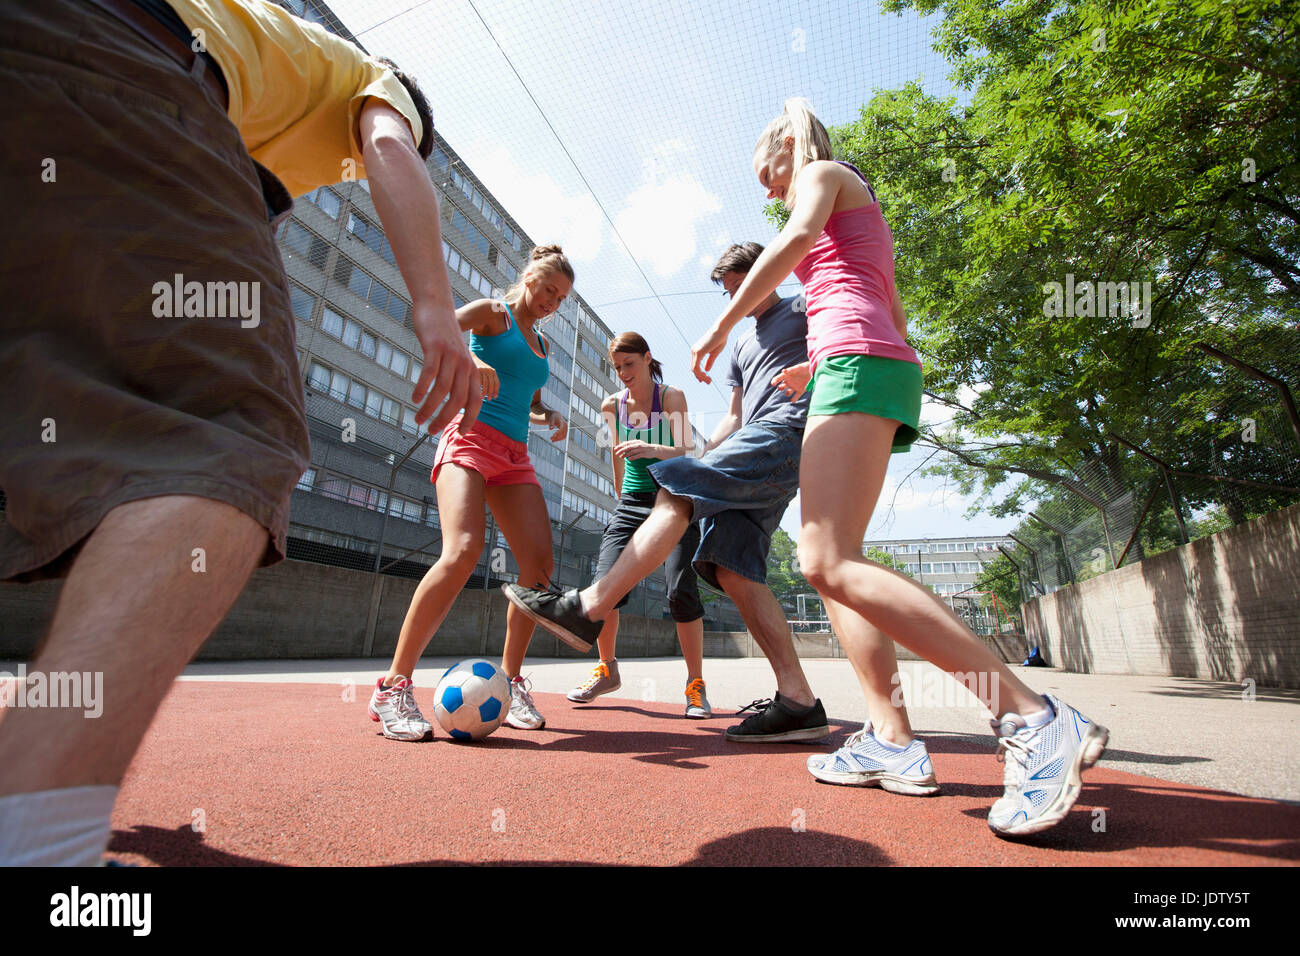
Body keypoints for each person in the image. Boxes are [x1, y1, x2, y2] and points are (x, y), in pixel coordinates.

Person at [0, 0, 478, 865]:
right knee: (226, 431)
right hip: (118, 58)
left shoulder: (265, 109)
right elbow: (389, 147)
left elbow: (223, 226)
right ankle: (35, 842)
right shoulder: (373, 85)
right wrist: (435, 307)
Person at [689, 99, 1109, 835]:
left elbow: (793, 239)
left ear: (791, 146)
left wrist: (725, 323)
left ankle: (1032, 717)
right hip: (855, 367)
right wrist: (820, 365)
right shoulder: (852, 219)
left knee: (825, 558)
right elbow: (889, 311)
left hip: (857, 367)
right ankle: (891, 738)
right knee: (833, 565)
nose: (767, 188)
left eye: (768, 171)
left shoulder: (824, 170)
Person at [506, 241, 829, 743]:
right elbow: (734, 416)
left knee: (675, 491)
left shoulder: (804, 306)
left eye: (740, 284)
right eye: (727, 291)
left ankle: (588, 608)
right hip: (754, 444)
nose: (734, 297)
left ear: (771, 270)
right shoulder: (741, 346)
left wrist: (813, 371)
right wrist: (704, 457)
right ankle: (798, 700)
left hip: (789, 432)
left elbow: (852, 341)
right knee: (730, 568)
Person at [370, 245, 573, 739]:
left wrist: (549, 417)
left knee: (538, 573)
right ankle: (392, 688)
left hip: (514, 455)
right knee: (462, 550)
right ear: (527, 277)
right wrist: (466, 358)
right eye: (548, 288)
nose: (552, 300)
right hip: (469, 438)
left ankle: (512, 682)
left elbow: (527, 398)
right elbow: (434, 331)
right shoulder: (492, 313)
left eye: (561, 297)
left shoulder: (542, 346)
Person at [563, 332, 711, 718]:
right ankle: (606, 670)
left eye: (630, 364)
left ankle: (695, 685)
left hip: (675, 497)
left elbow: (685, 449)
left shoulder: (671, 397)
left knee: (679, 589)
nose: (624, 373)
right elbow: (616, 450)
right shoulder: (612, 404)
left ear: (647, 358)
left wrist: (650, 450)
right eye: (617, 368)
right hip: (632, 501)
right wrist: (619, 491)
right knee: (605, 585)